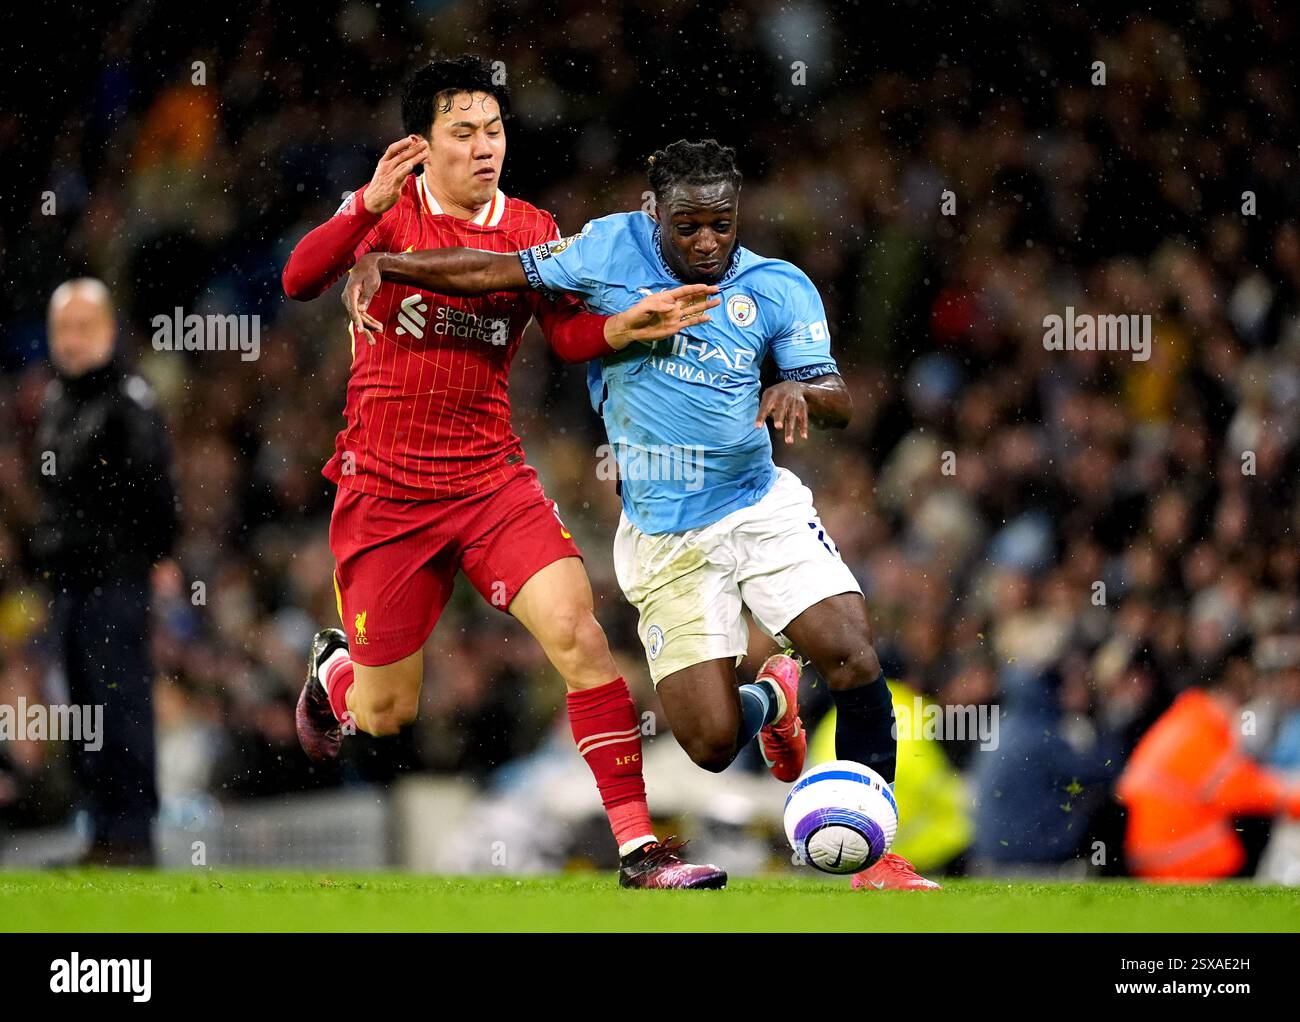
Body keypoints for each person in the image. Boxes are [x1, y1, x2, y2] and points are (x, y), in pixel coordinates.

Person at [343, 139, 940, 890]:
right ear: (652, 212)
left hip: (758, 506)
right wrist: (389, 262)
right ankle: (772, 701)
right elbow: (497, 271)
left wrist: (799, 394)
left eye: (721, 224)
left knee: (852, 653)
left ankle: (878, 859)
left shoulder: (777, 286)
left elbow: (839, 399)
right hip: (665, 538)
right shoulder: (605, 250)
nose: (707, 242)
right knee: (711, 742)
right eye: (688, 225)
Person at [282, 57, 724, 889]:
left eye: (495, 130)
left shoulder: (529, 225)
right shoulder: (385, 215)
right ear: (422, 145)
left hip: (491, 479)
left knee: (580, 635)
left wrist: (623, 327)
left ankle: (638, 849)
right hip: (385, 490)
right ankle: (335, 673)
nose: (486, 147)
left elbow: (564, 335)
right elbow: (299, 277)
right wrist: (366, 207)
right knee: (384, 713)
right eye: (464, 132)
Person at [32, 277, 179, 866]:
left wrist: (158, 553)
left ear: (110, 331)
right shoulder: (56, 401)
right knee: (85, 705)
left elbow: (153, 486)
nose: (72, 340)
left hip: (116, 576)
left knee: (120, 699)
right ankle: (101, 832)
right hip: (69, 579)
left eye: (84, 327)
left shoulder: (129, 398)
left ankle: (133, 834)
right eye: (63, 329)